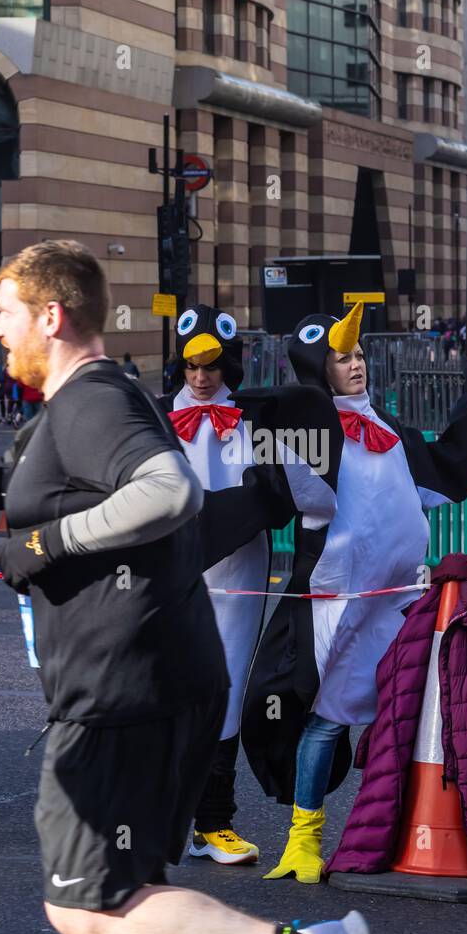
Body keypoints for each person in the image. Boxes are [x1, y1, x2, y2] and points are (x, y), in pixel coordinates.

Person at [0, 239, 372, 934]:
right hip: (160, 676)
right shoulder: (113, 393)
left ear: (52, 316)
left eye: (6, 313)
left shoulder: (90, 400)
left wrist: (47, 542)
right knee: (131, 888)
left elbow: (170, 492)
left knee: (78, 904)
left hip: (121, 688)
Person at [242, 301, 467, 882]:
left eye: (358, 355)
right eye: (341, 359)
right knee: (328, 719)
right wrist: (297, 432)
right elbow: (311, 501)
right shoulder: (313, 437)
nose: (355, 365)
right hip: (342, 606)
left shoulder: (390, 427)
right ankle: (303, 838)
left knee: (406, 717)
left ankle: (390, 830)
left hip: (402, 601)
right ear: (319, 371)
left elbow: (437, 482)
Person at [162, 303, 338, 867]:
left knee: (228, 689)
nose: (200, 377)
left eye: (211, 365)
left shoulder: (256, 422)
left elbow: (314, 494)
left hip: (237, 576)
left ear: (230, 365)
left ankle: (213, 822)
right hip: (168, 575)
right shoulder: (156, 421)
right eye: (191, 366)